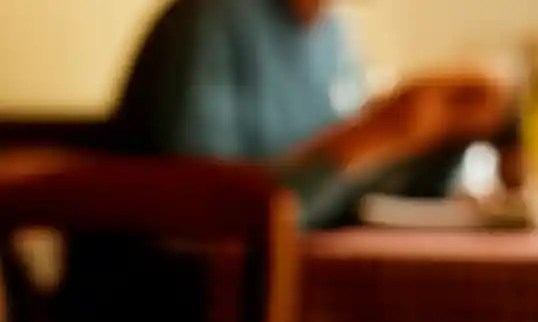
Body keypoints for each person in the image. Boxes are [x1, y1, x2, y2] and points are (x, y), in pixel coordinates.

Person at [112, 0, 511, 228]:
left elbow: (350, 194)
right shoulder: (208, 22)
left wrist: (448, 136)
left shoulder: (334, 35)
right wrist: (375, 133)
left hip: (293, 285)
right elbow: (210, 217)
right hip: (184, 311)